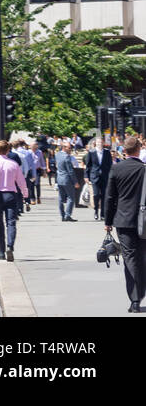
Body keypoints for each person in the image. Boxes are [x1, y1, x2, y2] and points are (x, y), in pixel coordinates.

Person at [103, 134, 146, 312]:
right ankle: (140, 291)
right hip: (144, 220)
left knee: (130, 258)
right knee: (143, 257)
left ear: (124, 151)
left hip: (123, 220)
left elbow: (110, 197)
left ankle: (135, 300)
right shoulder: (144, 169)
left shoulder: (117, 169)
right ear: (138, 149)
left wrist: (108, 221)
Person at [0, 140, 27, 262]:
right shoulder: (13, 164)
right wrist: (25, 195)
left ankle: (1, 252)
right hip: (10, 195)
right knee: (11, 223)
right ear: (8, 150)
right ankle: (10, 246)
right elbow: (21, 182)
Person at [88, 141, 113, 221]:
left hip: (104, 176)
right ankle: (96, 211)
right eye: (98, 143)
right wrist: (86, 176)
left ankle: (102, 213)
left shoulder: (107, 152)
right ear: (96, 144)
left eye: (101, 143)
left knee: (104, 195)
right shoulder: (91, 152)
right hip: (95, 176)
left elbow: (110, 164)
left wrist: (110, 175)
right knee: (96, 194)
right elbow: (89, 165)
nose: (100, 144)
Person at [54, 141, 78, 222]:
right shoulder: (67, 157)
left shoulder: (57, 155)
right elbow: (70, 171)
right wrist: (75, 182)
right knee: (71, 197)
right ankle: (67, 215)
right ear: (64, 148)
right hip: (67, 179)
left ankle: (62, 215)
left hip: (59, 179)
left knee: (61, 198)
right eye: (69, 148)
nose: (71, 149)